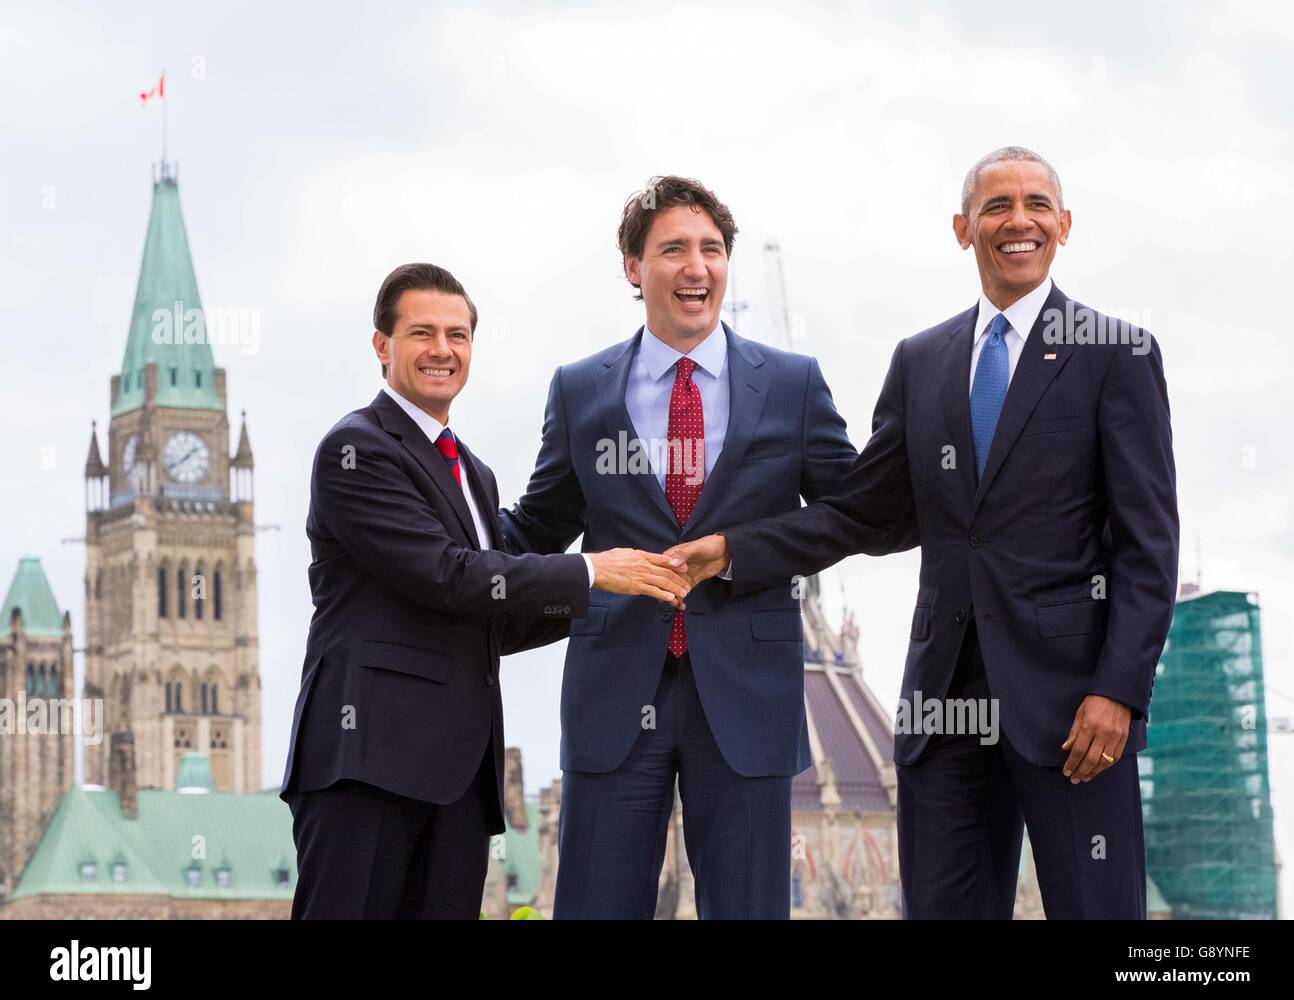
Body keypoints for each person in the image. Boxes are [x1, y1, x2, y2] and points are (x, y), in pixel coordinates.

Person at [673, 148, 1179, 919]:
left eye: (1037, 204)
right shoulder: (923, 361)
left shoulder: (1117, 354)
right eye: (997, 205)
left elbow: (1149, 546)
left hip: (1075, 710)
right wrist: (735, 551)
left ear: (1064, 225)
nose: (1019, 221)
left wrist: (1119, 691)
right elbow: (864, 512)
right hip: (942, 711)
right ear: (962, 228)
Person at [499, 177, 871, 919]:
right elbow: (536, 529)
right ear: (635, 269)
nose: (697, 266)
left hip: (748, 699)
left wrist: (735, 550)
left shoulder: (792, 385)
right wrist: (436, 544)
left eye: (711, 249)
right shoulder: (581, 391)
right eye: (673, 249)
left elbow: (854, 513)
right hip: (614, 696)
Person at [279, 263, 689, 919]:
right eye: (422, 333)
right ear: (382, 346)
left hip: (459, 783)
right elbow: (448, 575)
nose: (443, 350)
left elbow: (491, 614)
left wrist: (627, 584)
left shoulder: (473, 471)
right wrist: (594, 570)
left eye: (458, 335)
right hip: (367, 768)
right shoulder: (355, 451)